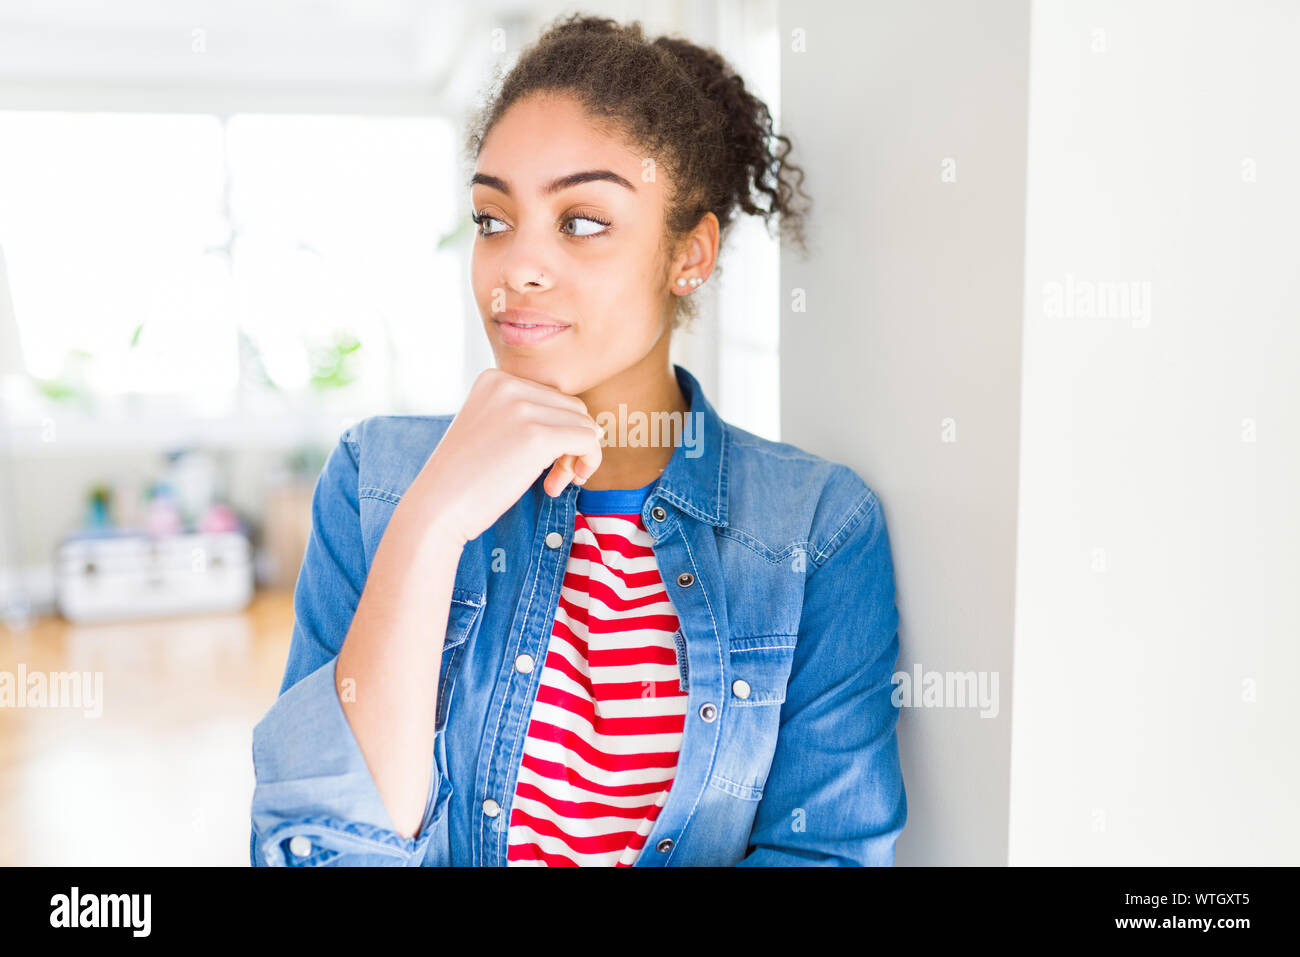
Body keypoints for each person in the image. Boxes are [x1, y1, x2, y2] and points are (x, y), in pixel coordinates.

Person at [250, 13, 905, 867]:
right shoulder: (376, 482)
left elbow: (826, 855)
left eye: (583, 220)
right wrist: (431, 521)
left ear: (690, 254)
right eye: (493, 218)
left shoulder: (816, 530)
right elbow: (316, 850)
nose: (516, 266)